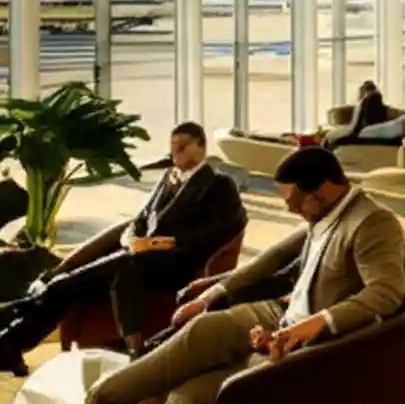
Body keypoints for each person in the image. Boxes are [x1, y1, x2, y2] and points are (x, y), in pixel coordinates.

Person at [87, 146, 405, 404]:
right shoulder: (323, 213)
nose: (291, 211)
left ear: (321, 190)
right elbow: (274, 257)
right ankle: (105, 396)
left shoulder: (372, 223)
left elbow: (386, 292)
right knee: (202, 329)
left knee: (185, 397)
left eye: (295, 203)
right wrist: (211, 294)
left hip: (306, 343)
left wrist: (311, 325)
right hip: (276, 315)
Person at [0, 122, 247, 373]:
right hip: (139, 257)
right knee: (67, 284)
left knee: (117, 272)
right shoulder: (168, 178)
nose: (176, 154)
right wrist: (132, 237)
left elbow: (227, 226)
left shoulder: (218, 184)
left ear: (201, 146)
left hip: (178, 264)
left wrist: (163, 242)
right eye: (174, 148)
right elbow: (141, 218)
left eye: (183, 147)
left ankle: (134, 349)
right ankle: (12, 342)